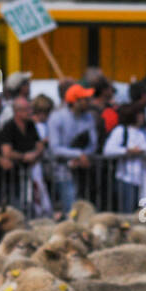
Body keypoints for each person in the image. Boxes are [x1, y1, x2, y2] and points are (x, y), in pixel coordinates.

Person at [47, 84, 98, 217]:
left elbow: (93, 144)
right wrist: (77, 155)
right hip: (63, 171)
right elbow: (55, 147)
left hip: (84, 170)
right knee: (71, 207)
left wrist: (84, 156)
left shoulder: (89, 117)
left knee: (86, 209)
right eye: (84, 99)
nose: (88, 102)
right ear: (75, 102)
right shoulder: (57, 117)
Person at [102, 104, 146, 213]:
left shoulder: (145, 132)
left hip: (143, 176)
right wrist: (127, 151)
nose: (142, 117)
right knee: (128, 211)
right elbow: (108, 150)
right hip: (126, 177)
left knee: (145, 212)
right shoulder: (121, 131)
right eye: (139, 114)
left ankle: (144, 227)